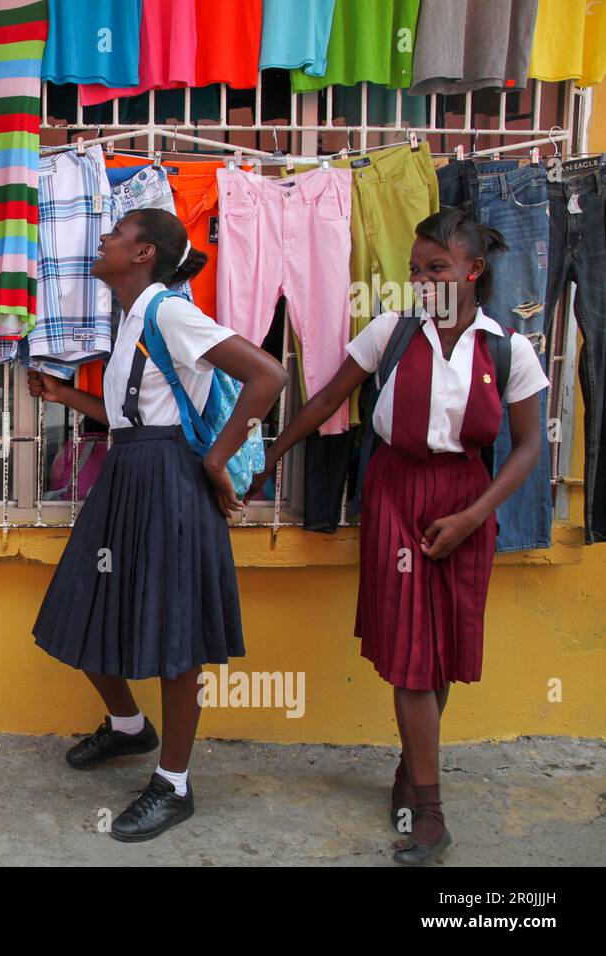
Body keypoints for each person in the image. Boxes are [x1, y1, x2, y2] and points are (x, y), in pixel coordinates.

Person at [245, 209, 550, 864]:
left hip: (469, 499)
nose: (422, 281)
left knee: (440, 651)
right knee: (414, 654)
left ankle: (412, 771)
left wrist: (474, 517)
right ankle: (431, 814)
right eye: (415, 270)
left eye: (436, 268)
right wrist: (271, 457)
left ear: (472, 271)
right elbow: (327, 401)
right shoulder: (390, 332)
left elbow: (526, 450)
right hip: (396, 495)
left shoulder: (508, 349)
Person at [30, 208, 287, 842]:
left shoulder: (169, 311)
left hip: (171, 480)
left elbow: (269, 375)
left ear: (145, 253)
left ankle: (174, 783)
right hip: (129, 473)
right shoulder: (135, 317)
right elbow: (132, 418)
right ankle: (128, 728)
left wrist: (219, 458)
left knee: (176, 632)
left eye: (115, 235)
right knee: (81, 605)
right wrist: (67, 399)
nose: (103, 241)